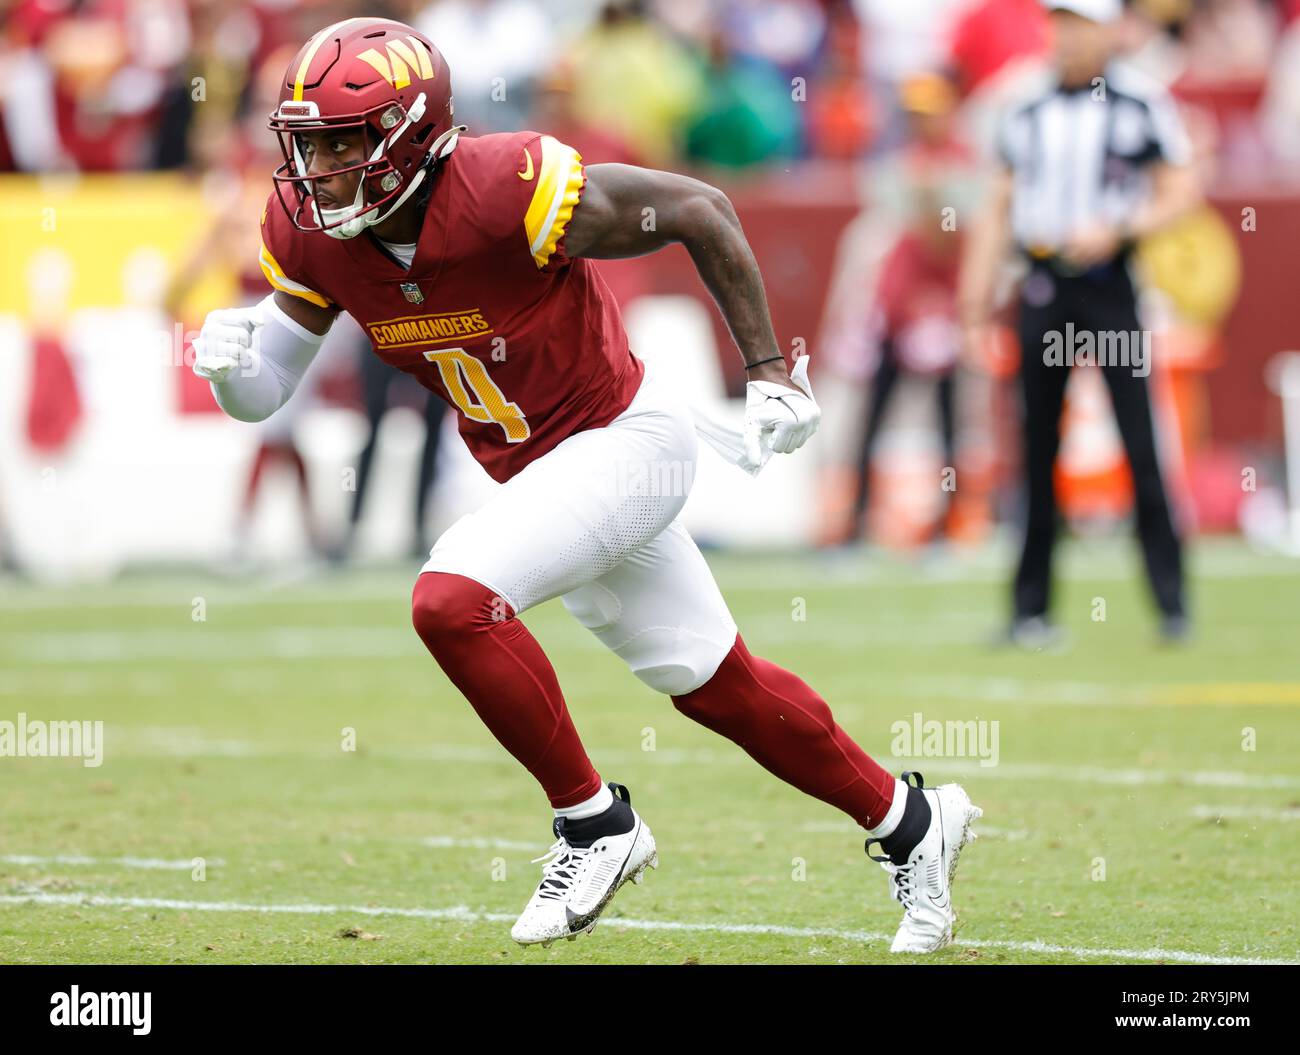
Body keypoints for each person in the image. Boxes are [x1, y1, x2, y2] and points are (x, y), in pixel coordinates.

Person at [191, 17, 981, 953]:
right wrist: (230, 365)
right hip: (543, 468)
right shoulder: (316, 235)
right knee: (718, 684)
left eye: (340, 144)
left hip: (625, 442)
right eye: (306, 144)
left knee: (450, 599)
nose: (315, 168)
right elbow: (264, 392)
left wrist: (768, 368)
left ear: (410, 136)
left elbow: (701, 209)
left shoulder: (503, 189)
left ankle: (594, 823)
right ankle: (911, 822)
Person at [958, 0, 1201, 647]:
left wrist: (1119, 228)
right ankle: (1028, 609)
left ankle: (1172, 604)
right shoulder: (1024, 104)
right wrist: (974, 299)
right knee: (1036, 449)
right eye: (1057, 21)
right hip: (1041, 284)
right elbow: (999, 200)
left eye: (1077, 22)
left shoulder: (1141, 102)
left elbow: (1180, 187)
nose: (1063, 35)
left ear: (1107, 29)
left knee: (1140, 443)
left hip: (1109, 284)